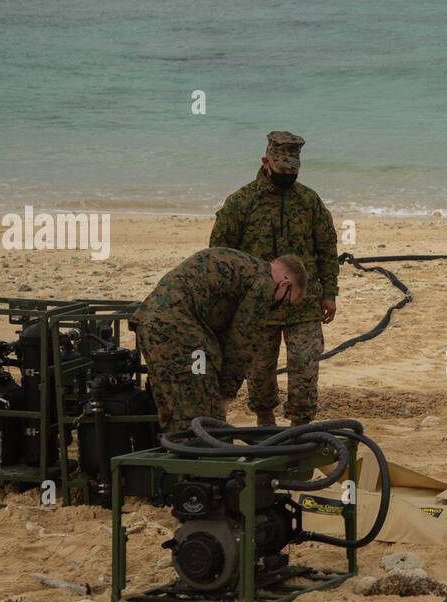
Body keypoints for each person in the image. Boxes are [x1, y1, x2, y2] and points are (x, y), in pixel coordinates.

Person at [210, 130, 338, 427]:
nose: (288, 174)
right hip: (258, 305)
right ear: (265, 161)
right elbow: (220, 254)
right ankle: (264, 421)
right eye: (283, 169)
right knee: (259, 369)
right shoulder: (241, 202)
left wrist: (329, 292)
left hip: (304, 303)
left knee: (305, 365)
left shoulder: (309, 201)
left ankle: (300, 427)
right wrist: (227, 304)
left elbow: (327, 248)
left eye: (294, 169)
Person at [132, 248, 306, 431]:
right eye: (283, 301)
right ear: (285, 283)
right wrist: (226, 393)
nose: (277, 305)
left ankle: (178, 452)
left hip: (149, 323)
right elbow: (241, 344)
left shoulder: (244, 264)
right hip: (181, 334)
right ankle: (199, 454)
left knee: (173, 408)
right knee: (202, 412)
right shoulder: (264, 284)